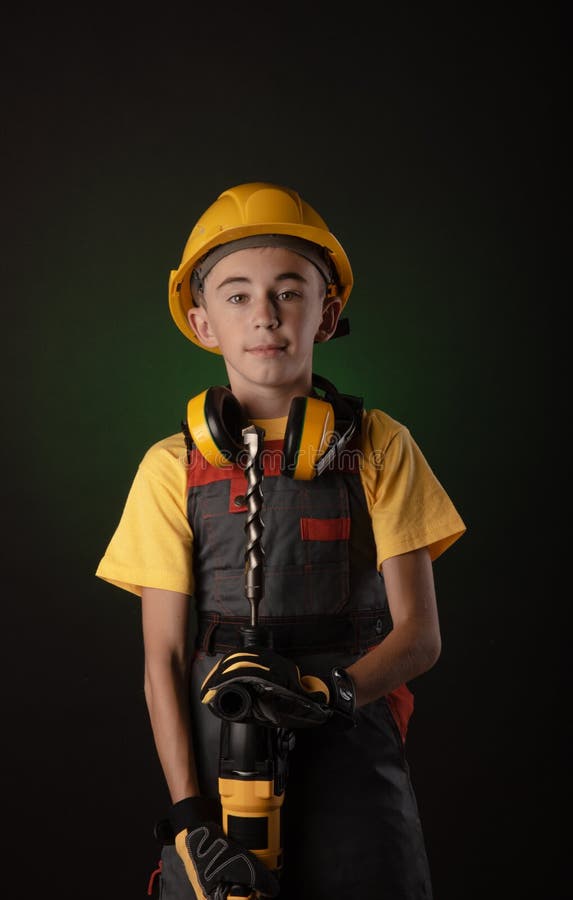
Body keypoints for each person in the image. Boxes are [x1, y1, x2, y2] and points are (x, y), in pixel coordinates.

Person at [96, 181, 466, 899]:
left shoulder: (380, 446)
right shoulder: (169, 467)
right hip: (213, 755)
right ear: (202, 323)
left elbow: (419, 637)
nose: (264, 315)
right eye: (236, 296)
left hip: (349, 739)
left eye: (288, 291)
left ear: (326, 314)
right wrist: (187, 818)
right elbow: (163, 660)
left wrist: (331, 693)